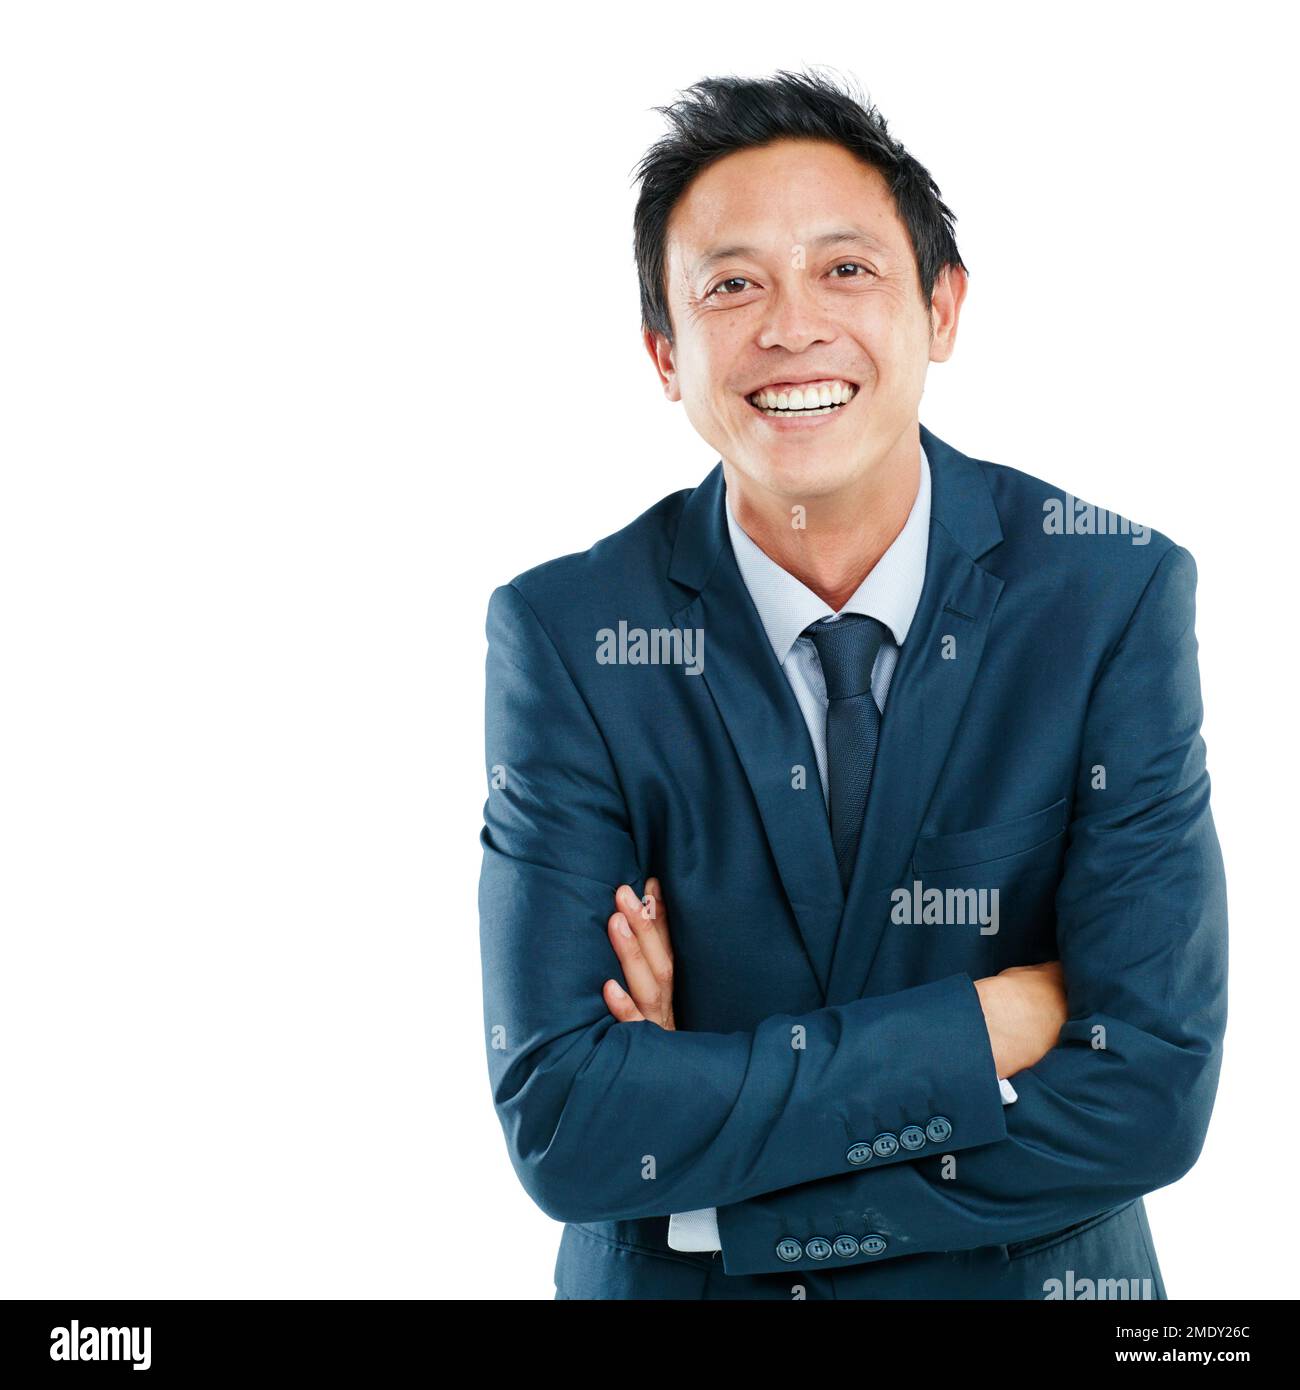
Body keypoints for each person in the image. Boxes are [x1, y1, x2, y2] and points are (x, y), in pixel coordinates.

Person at [478, 69, 1227, 1300]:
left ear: (942, 308)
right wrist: (976, 1030)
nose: (789, 328)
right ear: (666, 354)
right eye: (730, 286)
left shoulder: (1110, 594)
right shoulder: (567, 631)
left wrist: (719, 1180)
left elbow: (1147, 1091)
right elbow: (568, 1122)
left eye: (844, 269)